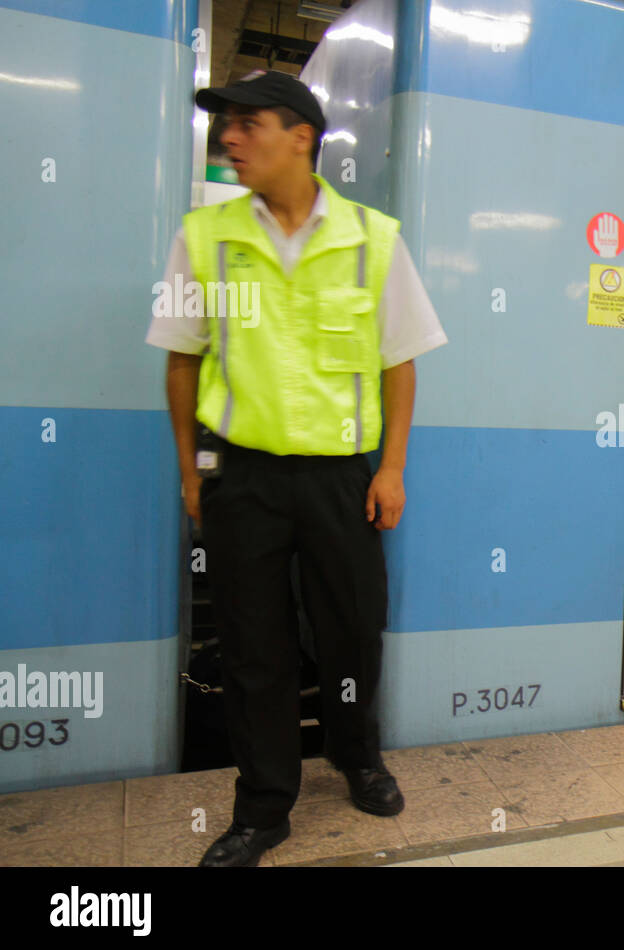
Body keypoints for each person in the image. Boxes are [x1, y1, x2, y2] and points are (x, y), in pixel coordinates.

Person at [145, 71, 448, 866]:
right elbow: (182, 361)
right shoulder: (206, 238)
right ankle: (264, 805)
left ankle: (358, 758)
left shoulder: (372, 239)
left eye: (248, 125)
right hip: (242, 477)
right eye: (227, 127)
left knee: (351, 633)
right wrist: (190, 471)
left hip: (341, 479)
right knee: (254, 646)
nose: (230, 140)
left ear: (302, 134)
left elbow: (400, 362)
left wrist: (392, 470)